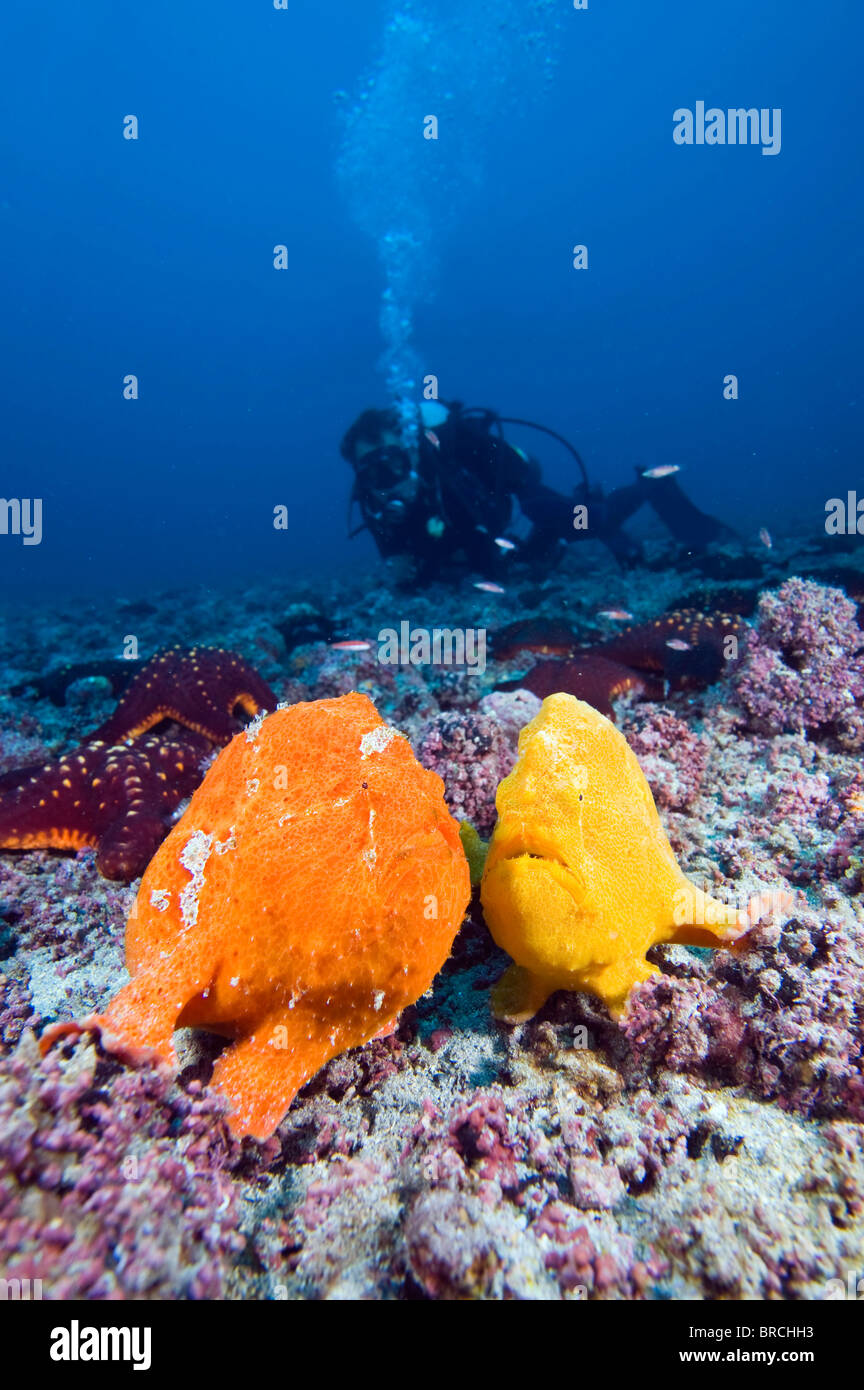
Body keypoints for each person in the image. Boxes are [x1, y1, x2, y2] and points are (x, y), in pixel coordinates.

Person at [340, 399, 733, 582]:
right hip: (476, 540)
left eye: (392, 460)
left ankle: (648, 486)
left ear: (410, 447)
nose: (386, 476)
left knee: (583, 522)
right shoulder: (376, 502)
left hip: (511, 491)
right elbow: (404, 564)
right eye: (372, 470)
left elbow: (488, 519)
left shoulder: (454, 463)